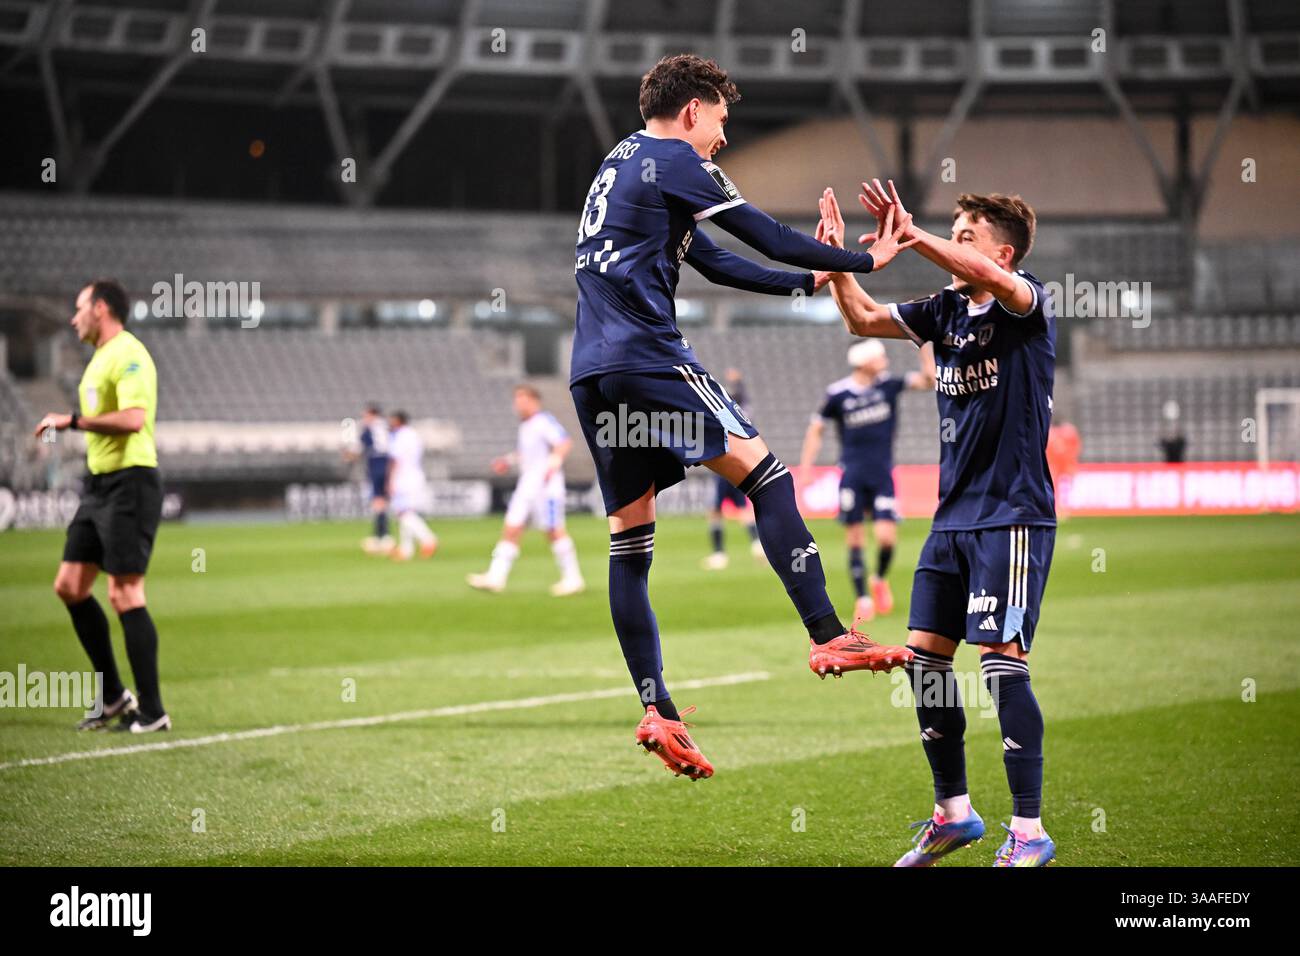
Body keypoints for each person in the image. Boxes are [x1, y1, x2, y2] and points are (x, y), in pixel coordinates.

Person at [569, 54, 915, 780]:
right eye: (721, 121)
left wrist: (813, 279)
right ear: (693, 111)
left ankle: (657, 708)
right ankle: (827, 634)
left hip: (592, 374)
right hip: (648, 354)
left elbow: (719, 263)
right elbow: (761, 231)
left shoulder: (621, 166)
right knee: (768, 475)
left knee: (630, 543)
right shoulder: (675, 158)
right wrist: (862, 258)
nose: (723, 138)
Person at [817, 181, 1058, 866]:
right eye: (952, 232)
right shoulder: (945, 309)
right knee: (926, 659)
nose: (956, 244)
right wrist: (837, 264)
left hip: (1011, 514)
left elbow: (994, 280)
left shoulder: (1027, 303)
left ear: (1002, 252)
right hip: (952, 518)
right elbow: (862, 321)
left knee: (1001, 665)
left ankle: (1030, 832)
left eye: (966, 235)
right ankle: (953, 813)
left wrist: (913, 235)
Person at [35, 279, 169, 733]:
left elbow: (134, 420)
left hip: (131, 482)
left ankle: (152, 711)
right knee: (70, 585)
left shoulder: (129, 353)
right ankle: (114, 696)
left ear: (102, 308)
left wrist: (71, 422)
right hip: (98, 486)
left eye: (78, 308)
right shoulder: (97, 362)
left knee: (124, 593)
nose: (73, 318)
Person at [798, 339, 935, 622]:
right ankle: (862, 598)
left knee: (886, 538)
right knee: (856, 539)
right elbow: (816, 428)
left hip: (883, 473)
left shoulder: (889, 385)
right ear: (863, 361)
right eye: (879, 356)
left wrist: (924, 346)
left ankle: (878, 579)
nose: (884, 360)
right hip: (853, 475)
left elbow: (929, 380)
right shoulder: (838, 394)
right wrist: (807, 466)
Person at [468, 384, 585, 596]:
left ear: (534, 401)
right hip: (527, 486)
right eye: (516, 400)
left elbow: (564, 442)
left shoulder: (543, 421)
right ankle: (496, 577)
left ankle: (573, 578)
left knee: (553, 530)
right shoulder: (526, 425)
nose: (518, 404)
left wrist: (554, 463)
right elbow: (527, 454)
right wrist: (508, 460)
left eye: (522, 400)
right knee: (512, 528)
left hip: (545, 487)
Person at [702, 369, 763, 570]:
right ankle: (756, 545)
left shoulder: (725, 414)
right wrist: (739, 382)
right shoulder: (746, 413)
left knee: (715, 510)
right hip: (741, 463)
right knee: (742, 507)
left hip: (725, 463)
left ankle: (719, 554)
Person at [385, 411, 438, 561]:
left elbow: (396, 460)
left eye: (392, 420)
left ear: (399, 421)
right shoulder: (413, 434)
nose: (390, 423)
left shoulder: (399, 437)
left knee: (403, 513)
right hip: (415, 475)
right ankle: (406, 550)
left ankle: (428, 539)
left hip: (403, 478)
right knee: (407, 512)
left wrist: (390, 480)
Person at [348, 403, 392, 554]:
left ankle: (382, 537)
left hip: (376, 464)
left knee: (378, 502)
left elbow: (358, 448)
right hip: (388, 464)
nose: (364, 418)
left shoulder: (369, 428)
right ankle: (382, 536)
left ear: (372, 414)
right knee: (383, 503)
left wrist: (349, 456)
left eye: (365, 415)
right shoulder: (387, 426)